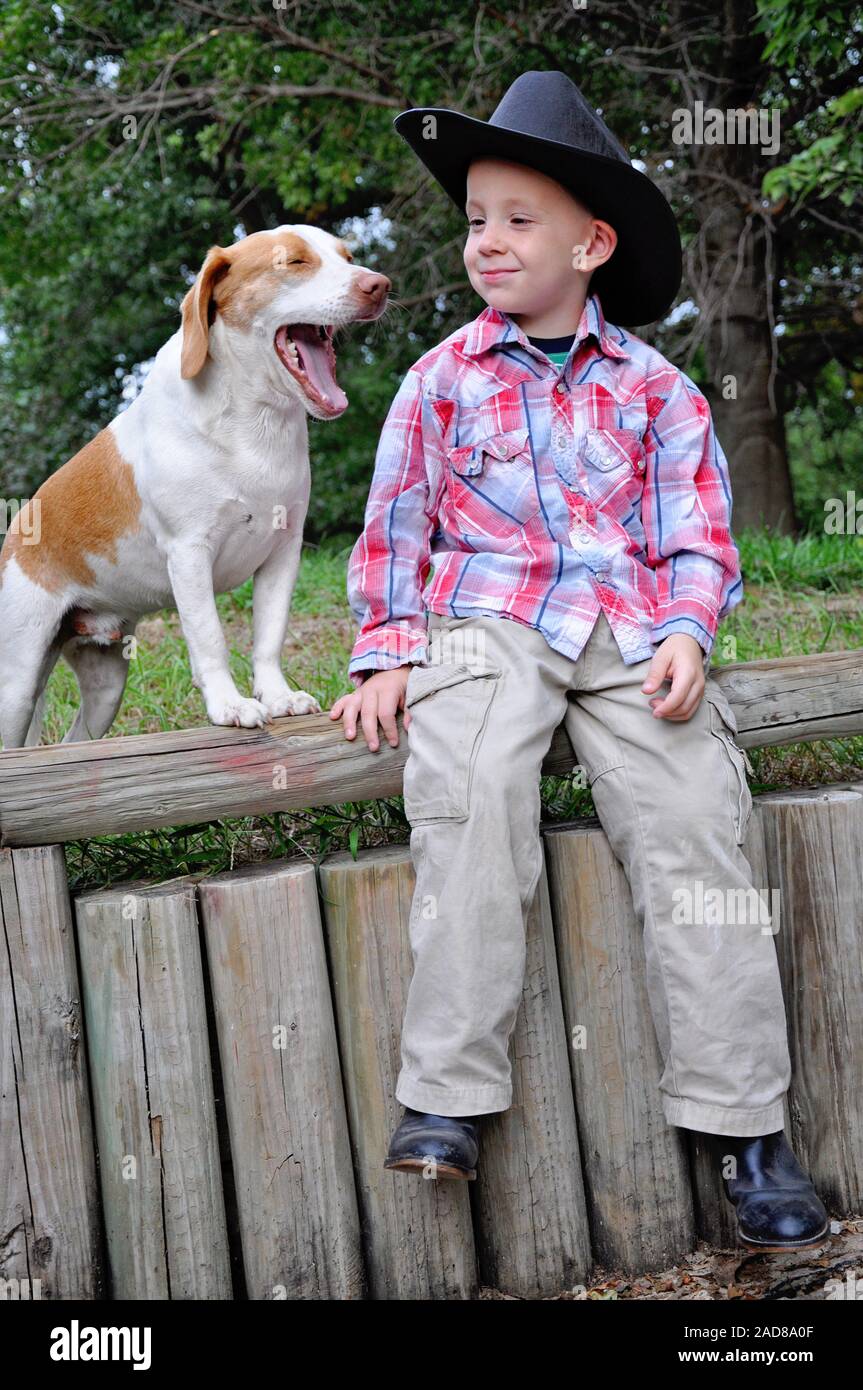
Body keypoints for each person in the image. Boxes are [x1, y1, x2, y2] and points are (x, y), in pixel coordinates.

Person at [329, 71, 829, 1251]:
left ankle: (742, 1124)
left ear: (591, 242)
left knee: (694, 812)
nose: (486, 242)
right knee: (469, 788)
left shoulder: (657, 391)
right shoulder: (438, 383)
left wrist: (685, 632)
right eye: (473, 221)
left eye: (517, 218)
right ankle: (445, 1089)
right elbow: (393, 531)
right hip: (487, 619)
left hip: (621, 622)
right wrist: (384, 655)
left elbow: (695, 535)